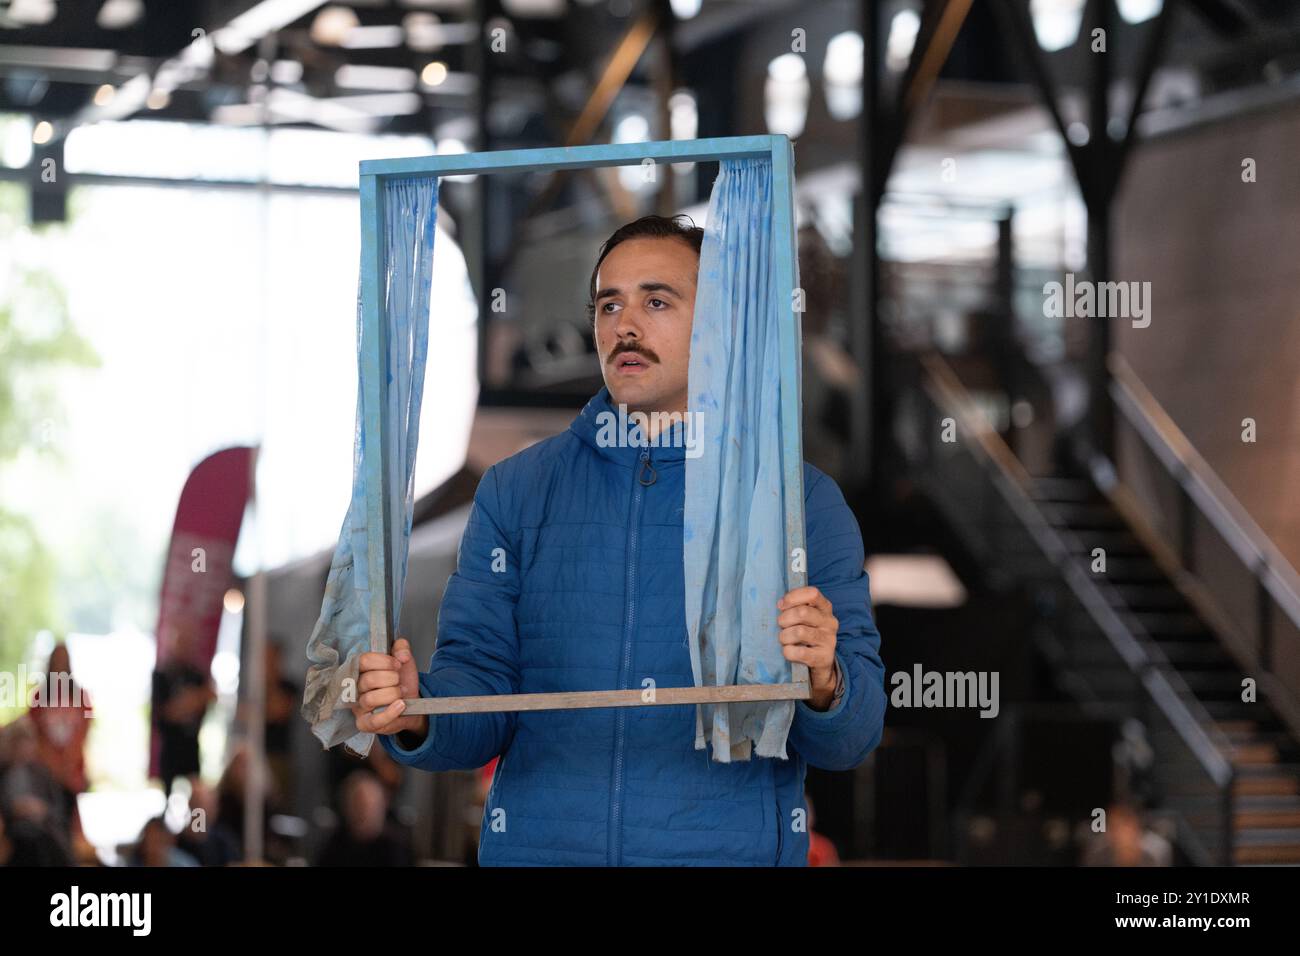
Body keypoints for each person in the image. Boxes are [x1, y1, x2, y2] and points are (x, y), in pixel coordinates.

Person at [352, 214, 888, 866]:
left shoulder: (799, 504)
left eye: (656, 301)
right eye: (609, 304)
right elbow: (483, 698)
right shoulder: (516, 492)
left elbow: (850, 741)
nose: (624, 325)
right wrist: (419, 710)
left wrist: (827, 681)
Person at [314, 770, 413, 867]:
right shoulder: (335, 844)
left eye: (369, 806)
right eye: (358, 805)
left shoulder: (396, 846)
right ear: (347, 807)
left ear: (382, 806)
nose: (363, 812)